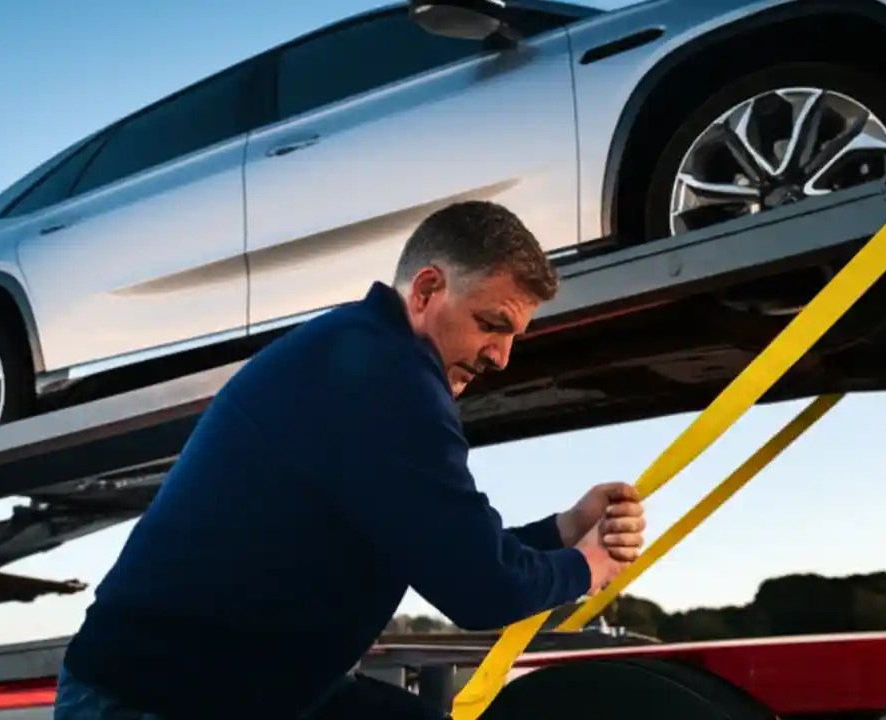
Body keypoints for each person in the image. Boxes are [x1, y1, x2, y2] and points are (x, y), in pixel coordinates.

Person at [53, 200, 647, 719]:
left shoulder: (360, 350)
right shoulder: (389, 381)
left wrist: (565, 529)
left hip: (251, 689)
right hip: (150, 699)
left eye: (514, 336)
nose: (501, 357)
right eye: (491, 326)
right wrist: (588, 566)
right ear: (427, 290)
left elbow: (445, 546)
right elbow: (480, 588)